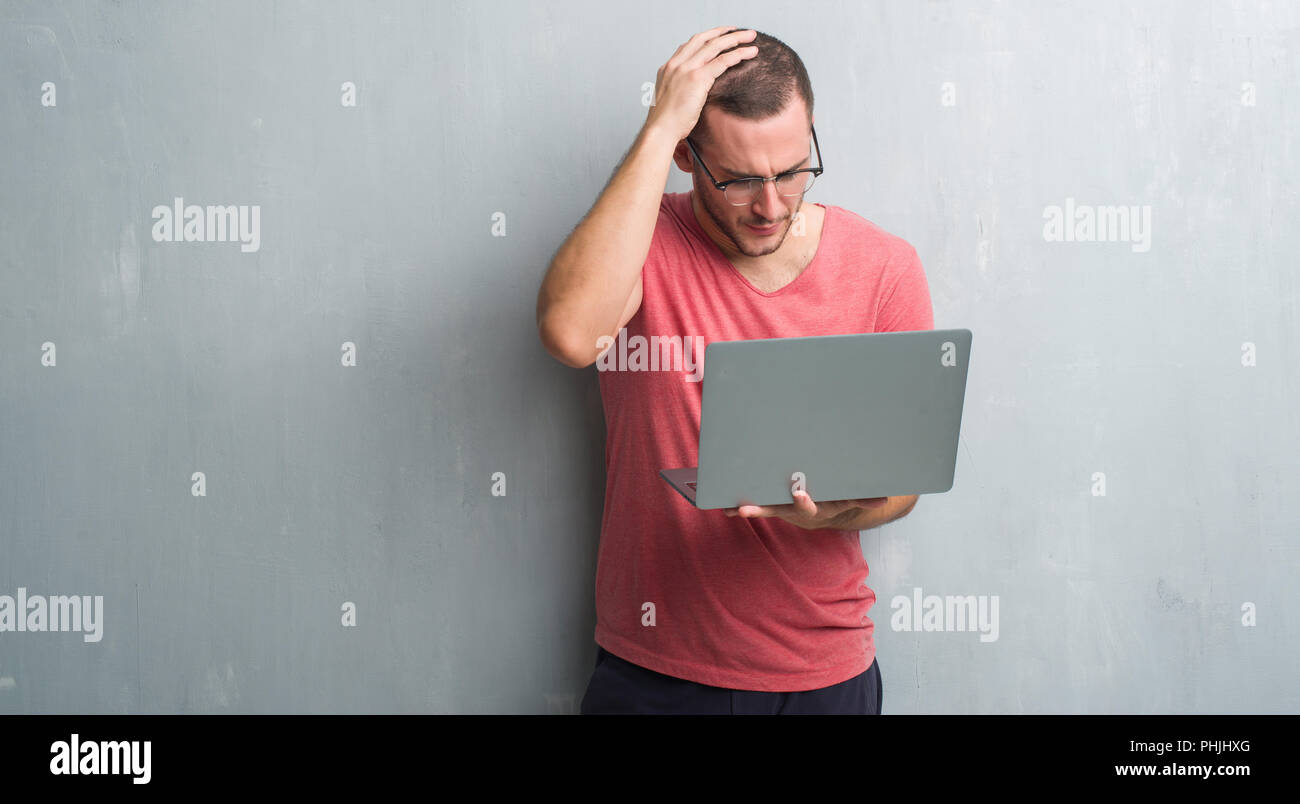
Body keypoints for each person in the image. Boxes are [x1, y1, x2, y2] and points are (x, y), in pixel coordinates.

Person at [535, 26, 934, 714]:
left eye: (791, 172)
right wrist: (660, 128)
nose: (772, 206)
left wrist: (836, 515)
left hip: (826, 671)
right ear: (689, 158)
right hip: (656, 673)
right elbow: (570, 335)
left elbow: (903, 486)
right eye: (743, 180)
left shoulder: (884, 266)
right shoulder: (643, 242)